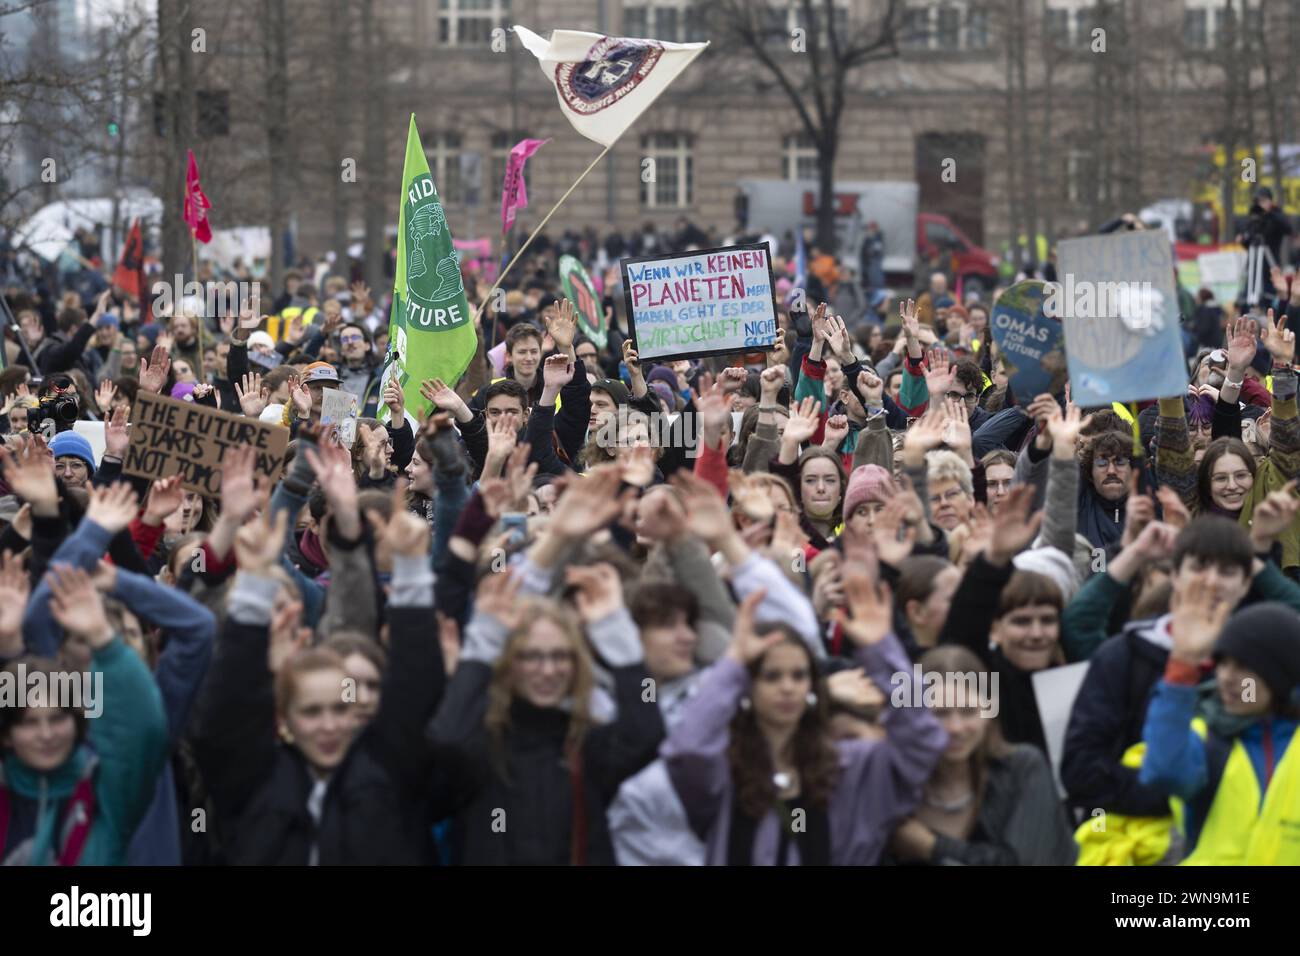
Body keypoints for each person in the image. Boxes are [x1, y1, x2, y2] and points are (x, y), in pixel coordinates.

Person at [661, 568, 946, 865]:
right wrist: (733, 664)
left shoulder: (849, 766)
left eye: (798, 676)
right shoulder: (724, 770)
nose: (787, 688)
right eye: (771, 676)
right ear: (748, 686)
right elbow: (687, 748)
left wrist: (881, 651)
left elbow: (922, 742)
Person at [1139, 598, 1300, 864]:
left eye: (1244, 667)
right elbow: (1162, 770)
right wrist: (1182, 667)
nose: (1226, 677)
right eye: (1223, 663)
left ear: (1280, 677)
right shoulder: (1206, 739)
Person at [888, 645, 1077, 865]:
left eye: (968, 711)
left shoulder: (1022, 767)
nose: (955, 727)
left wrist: (932, 846)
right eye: (939, 713)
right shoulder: (898, 786)